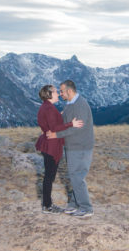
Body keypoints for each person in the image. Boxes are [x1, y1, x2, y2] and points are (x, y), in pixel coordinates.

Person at [45, 79, 95, 218]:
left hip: (80, 147)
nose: (60, 94)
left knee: (77, 176)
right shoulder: (70, 103)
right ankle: (74, 203)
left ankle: (86, 208)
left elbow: (76, 129)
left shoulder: (80, 106)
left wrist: (56, 135)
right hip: (73, 146)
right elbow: (68, 121)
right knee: (74, 176)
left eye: (61, 91)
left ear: (70, 91)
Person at [35, 84, 83, 214]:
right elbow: (55, 128)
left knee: (48, 176)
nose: (58, 94)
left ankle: (47, 204)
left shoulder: (47, 107)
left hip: (48, 144)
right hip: (51, 146)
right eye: (56, 92)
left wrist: (60, 116)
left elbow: (52, 123)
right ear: (49, 94)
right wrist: (71, 124)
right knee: (49, 177)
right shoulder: (49, 108)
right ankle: (47, 206)